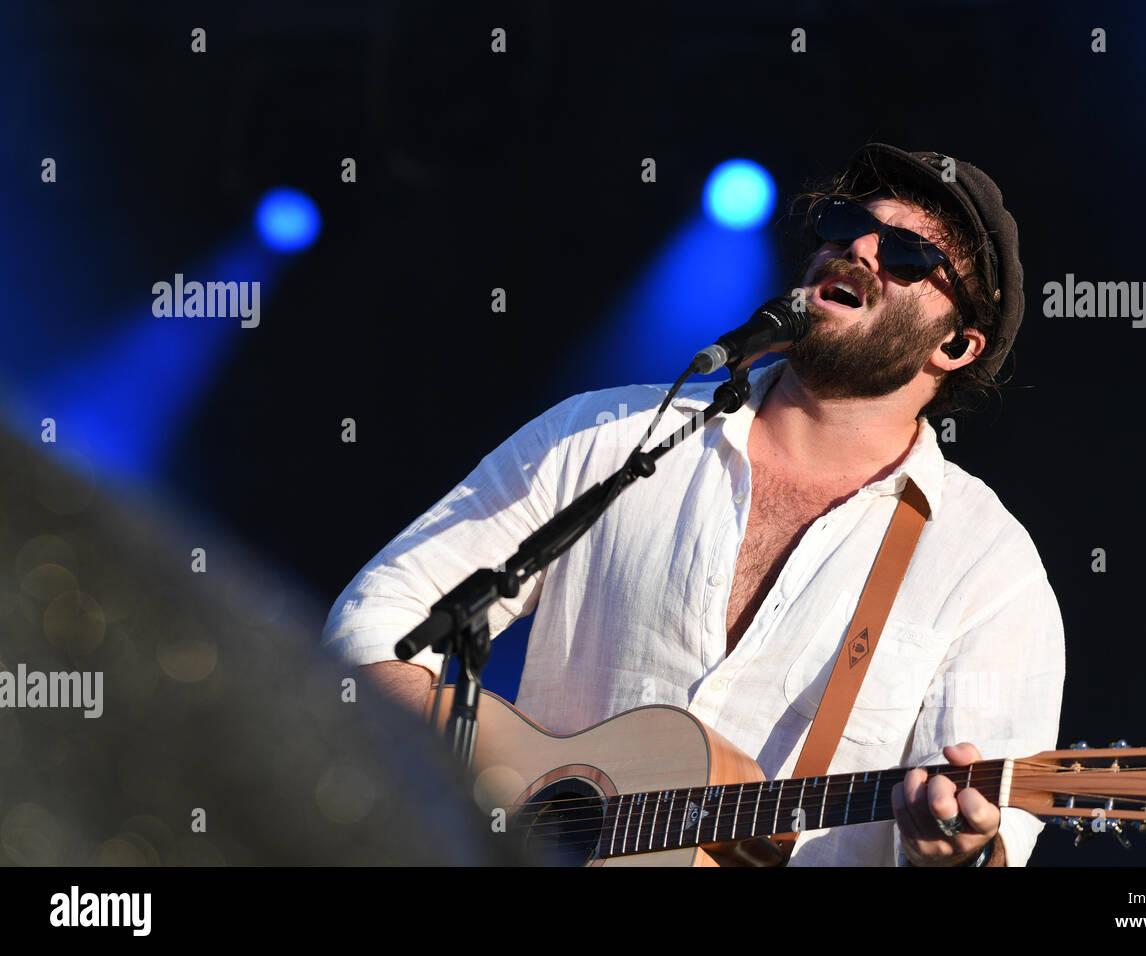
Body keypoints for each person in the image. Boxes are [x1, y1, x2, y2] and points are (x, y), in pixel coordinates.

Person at [322, 143, 1065, 867]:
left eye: (906, 255)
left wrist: (959, 853)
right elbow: (383, 612)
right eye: (845, 226)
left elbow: (996, 838)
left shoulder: (986, 565)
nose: (861, 250)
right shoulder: (608, 435)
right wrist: (472, 782)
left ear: (958, 346)